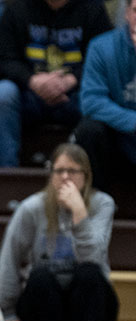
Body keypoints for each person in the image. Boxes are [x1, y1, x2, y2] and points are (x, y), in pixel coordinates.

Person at [0, 143, 117, 321]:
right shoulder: (31, 208)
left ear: (86, 176)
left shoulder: (103, 204)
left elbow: (93, 256)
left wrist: (79, 213)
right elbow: (9, 257)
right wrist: (7, 312)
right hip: (46, 303)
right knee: (40, 277)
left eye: (73, 171)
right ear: (50, 174)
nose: (65, 177)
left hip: (90, 301)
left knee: (89, 273)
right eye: (59, 170)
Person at [0, 0, 111, 167]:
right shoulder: (17, 8)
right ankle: (6, 174)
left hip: (75, 95)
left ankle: (86, 178)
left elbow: (105, 58)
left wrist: (71, 80)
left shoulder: (93, 8)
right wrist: (32, 80)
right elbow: (2, 59)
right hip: (29, 94)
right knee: (1, 93)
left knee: (100, 100)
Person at [75, 0, 136, 191]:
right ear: (126, 13)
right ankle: (96, 200)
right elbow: (91, 102)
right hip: (117, 144)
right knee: (89, 129)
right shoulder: (101, 47)